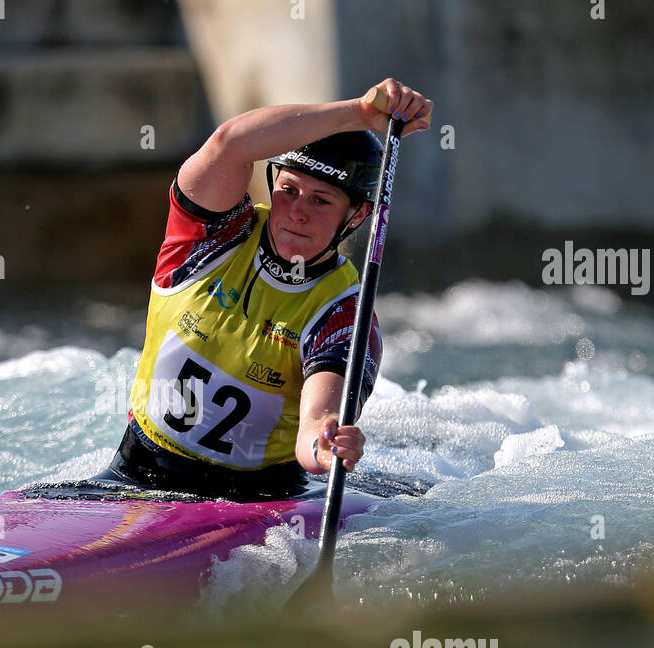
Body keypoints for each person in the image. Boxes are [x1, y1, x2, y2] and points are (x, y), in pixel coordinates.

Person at [96, 79, 433, 501]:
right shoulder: (213, 236)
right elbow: (230, 143)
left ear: (357, 215)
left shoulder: (344, 315)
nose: (297, 213)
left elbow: (316, 423)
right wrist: (359, 114)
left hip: (258, 500)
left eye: (321, 201)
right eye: (289, 191)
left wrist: (324, 444)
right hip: (135, 473)